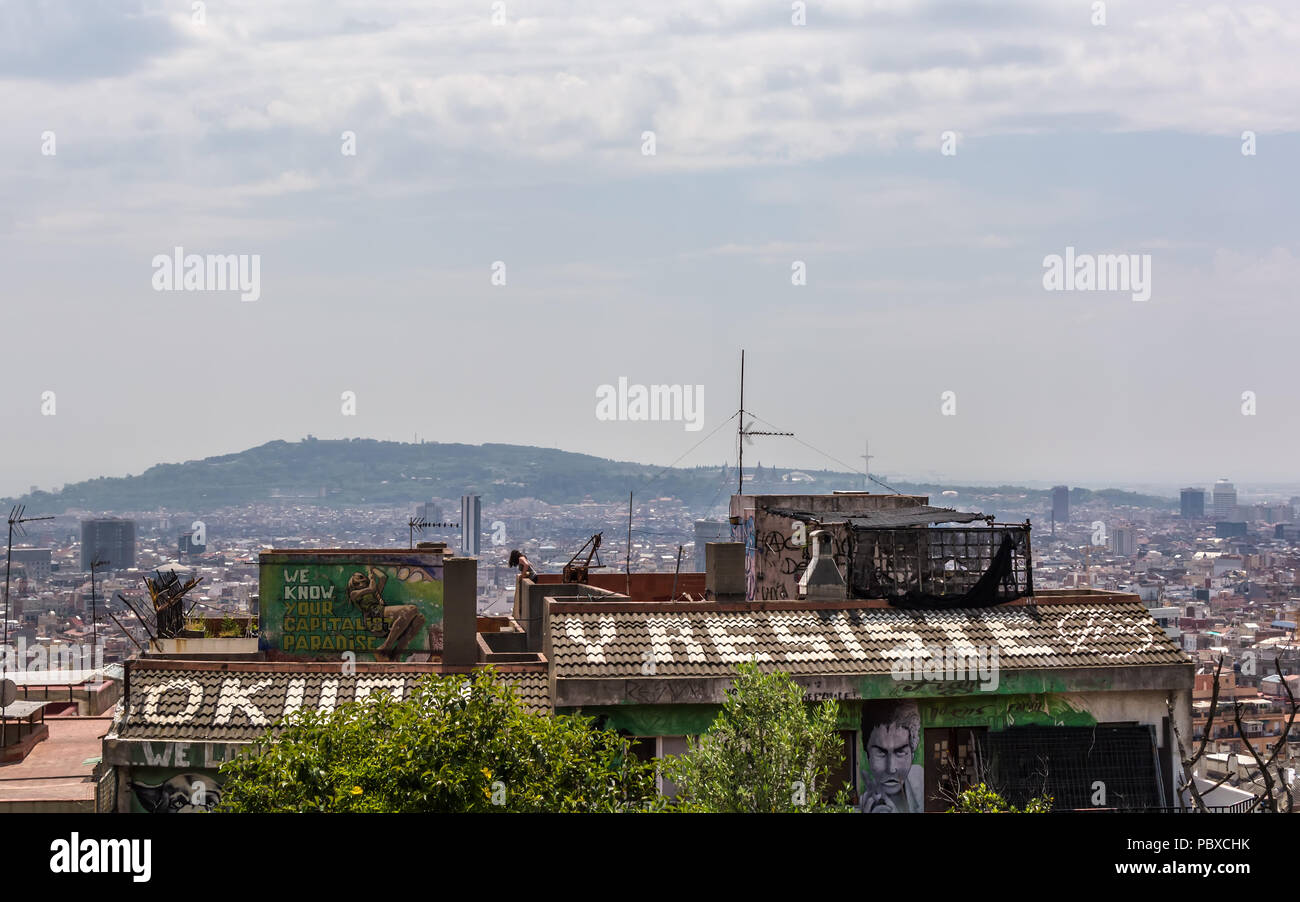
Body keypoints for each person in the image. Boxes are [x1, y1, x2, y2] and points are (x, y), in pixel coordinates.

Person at [859, 700, 924, 813]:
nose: (891, 768)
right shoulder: (866, 804)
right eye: (881, 753)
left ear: (912, 754)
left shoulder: (920, 781)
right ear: (867, 755)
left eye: (900, 752)